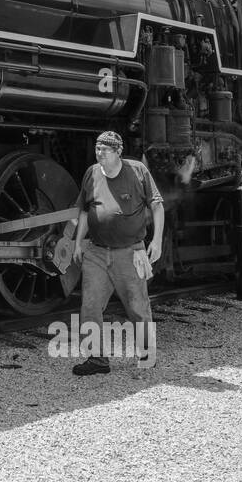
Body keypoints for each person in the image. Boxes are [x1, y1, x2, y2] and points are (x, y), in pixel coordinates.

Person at [71, 130, 164, 375]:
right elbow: (84, 210)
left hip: (130, 252)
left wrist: (157, 241)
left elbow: (157, 205)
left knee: (137, 306)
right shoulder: (91, 173)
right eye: (98, 149)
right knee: (90, 306)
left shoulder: (137, 171)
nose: (100, 154)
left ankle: (147, 353)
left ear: (118, 152)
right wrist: (78, 241)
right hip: (97, 252)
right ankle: (97, 360)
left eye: (106, 150)